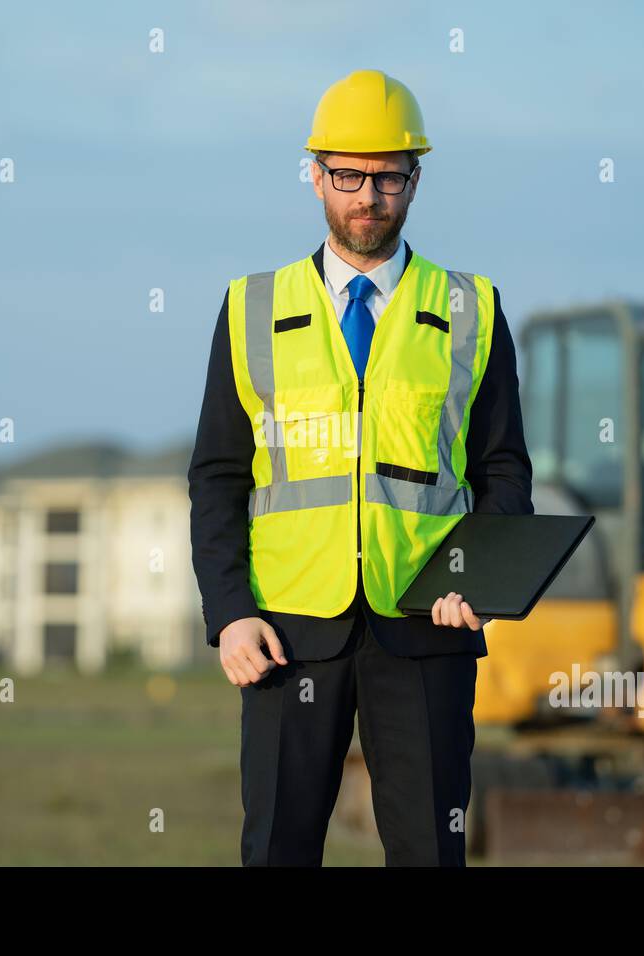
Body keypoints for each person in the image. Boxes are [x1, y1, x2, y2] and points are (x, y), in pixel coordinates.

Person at [187, 69, 533, 866]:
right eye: (348, 176)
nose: (368, 197)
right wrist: (229, 611)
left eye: (388, 177)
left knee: (429, 853)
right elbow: (217, 478)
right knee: (276, 850)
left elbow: (503, 470)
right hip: (285, 634)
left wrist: (475, 578)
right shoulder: (250, 308)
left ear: (416, 179)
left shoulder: (471, 309)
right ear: (314, 174)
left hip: (425, 629)